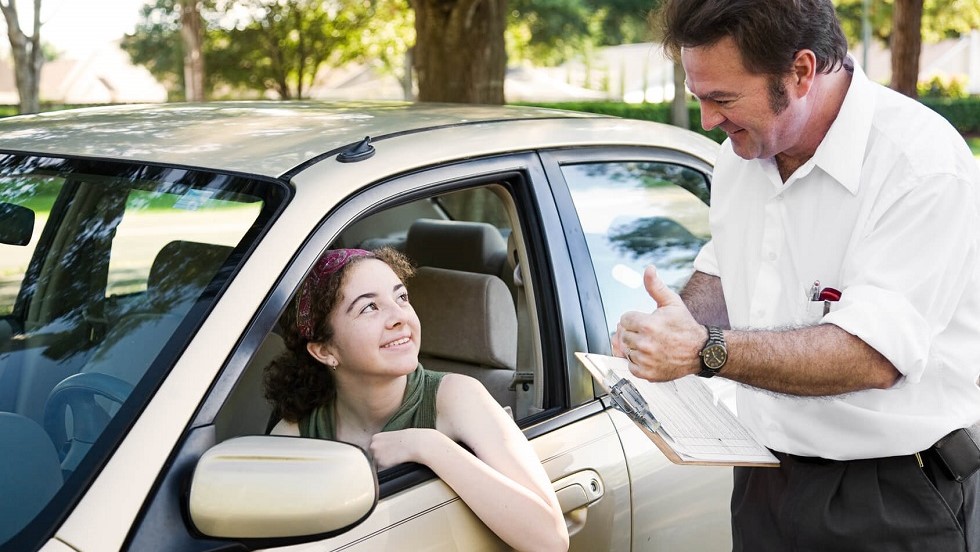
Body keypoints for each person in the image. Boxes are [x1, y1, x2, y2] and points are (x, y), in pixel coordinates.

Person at [613, 1, 980, 550]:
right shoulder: (740, 157)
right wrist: (673, 323)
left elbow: (873, 356)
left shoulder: (920, 165)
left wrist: (704, 350)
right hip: (763, 479)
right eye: (699, 97)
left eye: (722, 99)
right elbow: (725, 269)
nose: (709, 120)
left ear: (802, 71)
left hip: (893, 494)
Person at [264, 247, 568, 552]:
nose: (399, 317)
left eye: (401, 297)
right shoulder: (296, 434)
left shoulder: (456, 396)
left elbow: (550, 540)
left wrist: (428, 446)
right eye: (369, 307)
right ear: (325, 350)